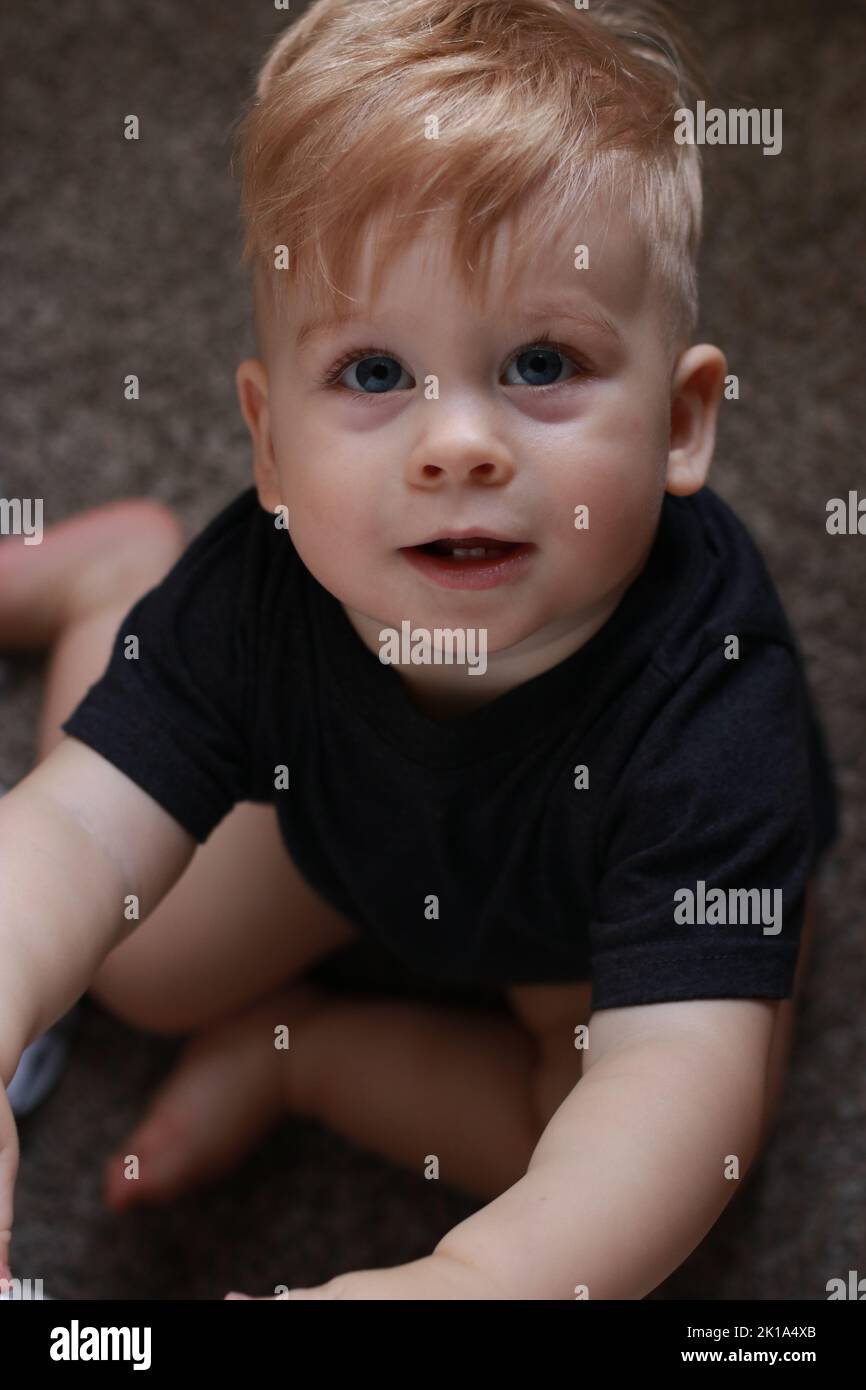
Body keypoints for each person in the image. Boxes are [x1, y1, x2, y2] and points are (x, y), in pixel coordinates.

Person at [0, 0, 839, 1299]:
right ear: (269, 444)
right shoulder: (261, 592)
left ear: (681, 421)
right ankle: (114, 578)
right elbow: (72, 831)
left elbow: (684, 1074)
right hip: (336, 821)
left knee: (603, 1172)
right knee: (134, 961)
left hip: (576, 929)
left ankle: (304, 1054)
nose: (456, 446)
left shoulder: (712, 707)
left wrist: (475, 1282)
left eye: (541, 361)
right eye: (377, 372)